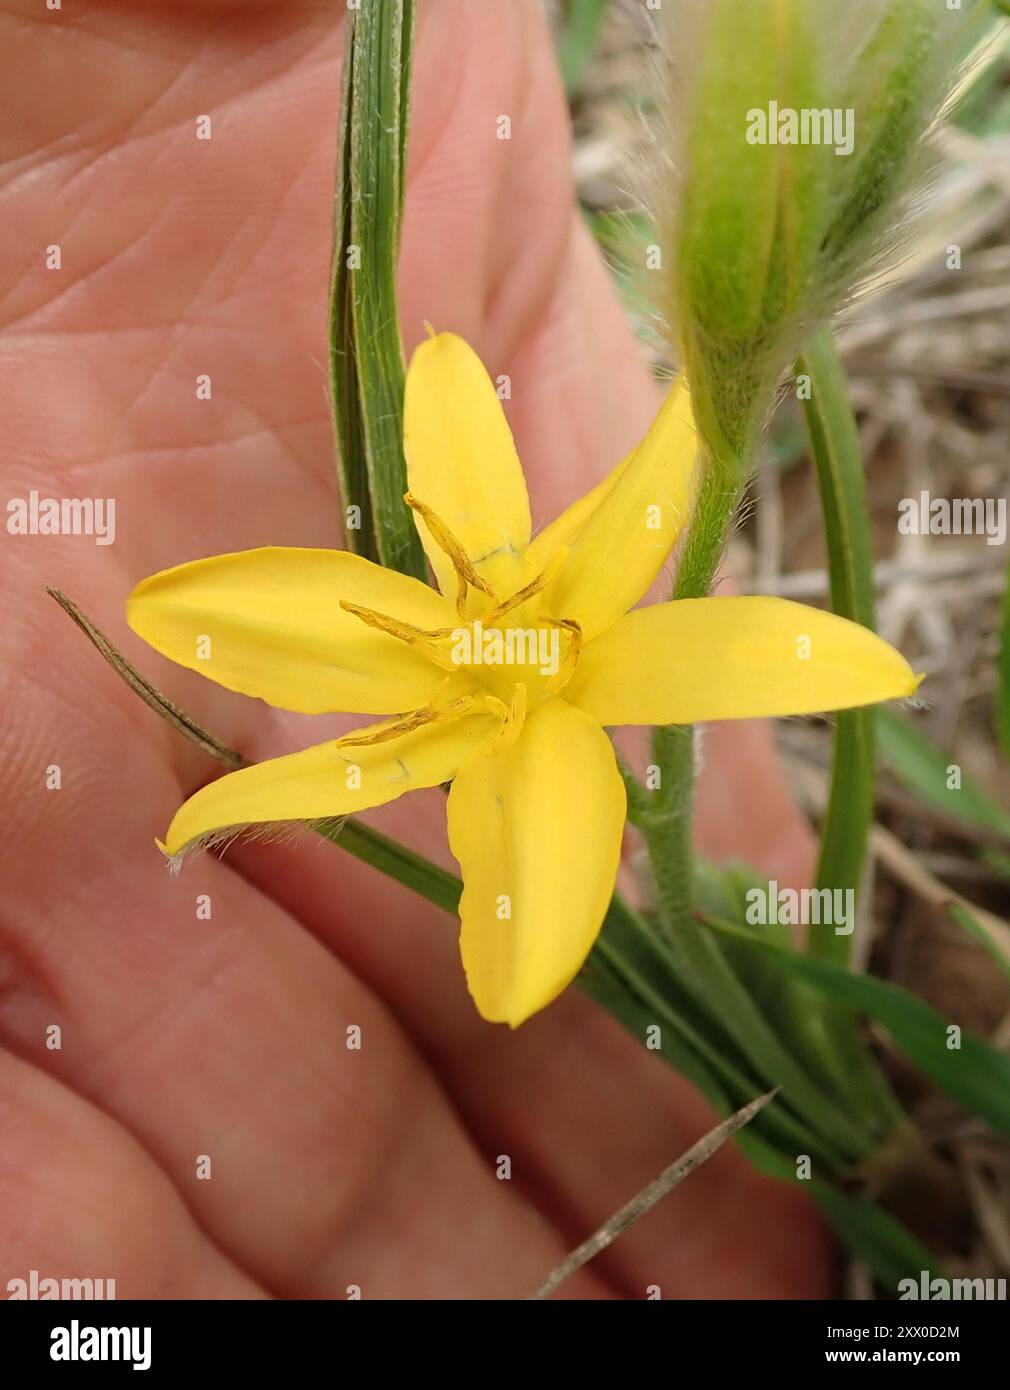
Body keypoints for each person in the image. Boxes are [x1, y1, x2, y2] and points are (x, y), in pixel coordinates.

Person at [0, 0, 829, 1297]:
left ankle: (856, 1118)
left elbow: (675, 478)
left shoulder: (612, 601)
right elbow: (203, 620)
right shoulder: (461, 626)